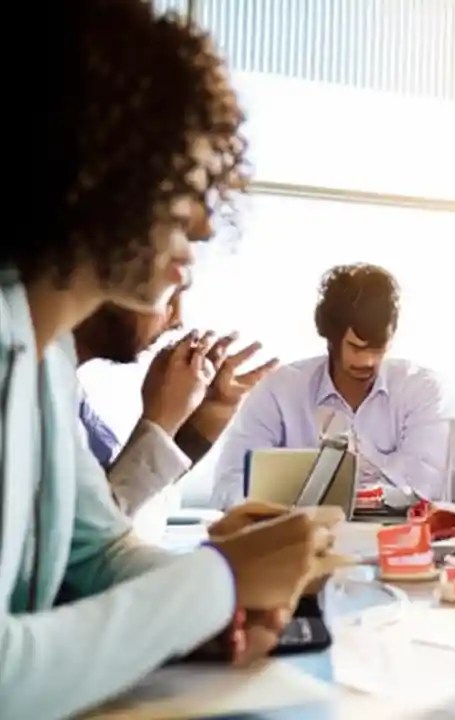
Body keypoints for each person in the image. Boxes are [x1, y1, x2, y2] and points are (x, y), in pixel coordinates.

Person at [2, 3, 330, 717]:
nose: (206, 223)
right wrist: (217, 583)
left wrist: (223, 604)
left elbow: (98, 553)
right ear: (96, 166)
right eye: (185, 183)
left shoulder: (44, 359)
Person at [212, 263, 449, 508]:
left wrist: (352, 473)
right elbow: (229, 483)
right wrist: (274, 511)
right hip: (294, 528)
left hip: (394, 530)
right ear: (332, 338)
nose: (368, 361)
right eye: (356, 348)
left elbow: (427, 485)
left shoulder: (419, 389)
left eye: (378, 348)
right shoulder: (279, 391)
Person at [75, 276, 277, 516]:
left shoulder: (69, 394)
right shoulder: (41, 400)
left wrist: (207, 416)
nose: (177, 320)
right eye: (168, 293)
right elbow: (95, 527)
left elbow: (129, 504)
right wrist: (161, 421)